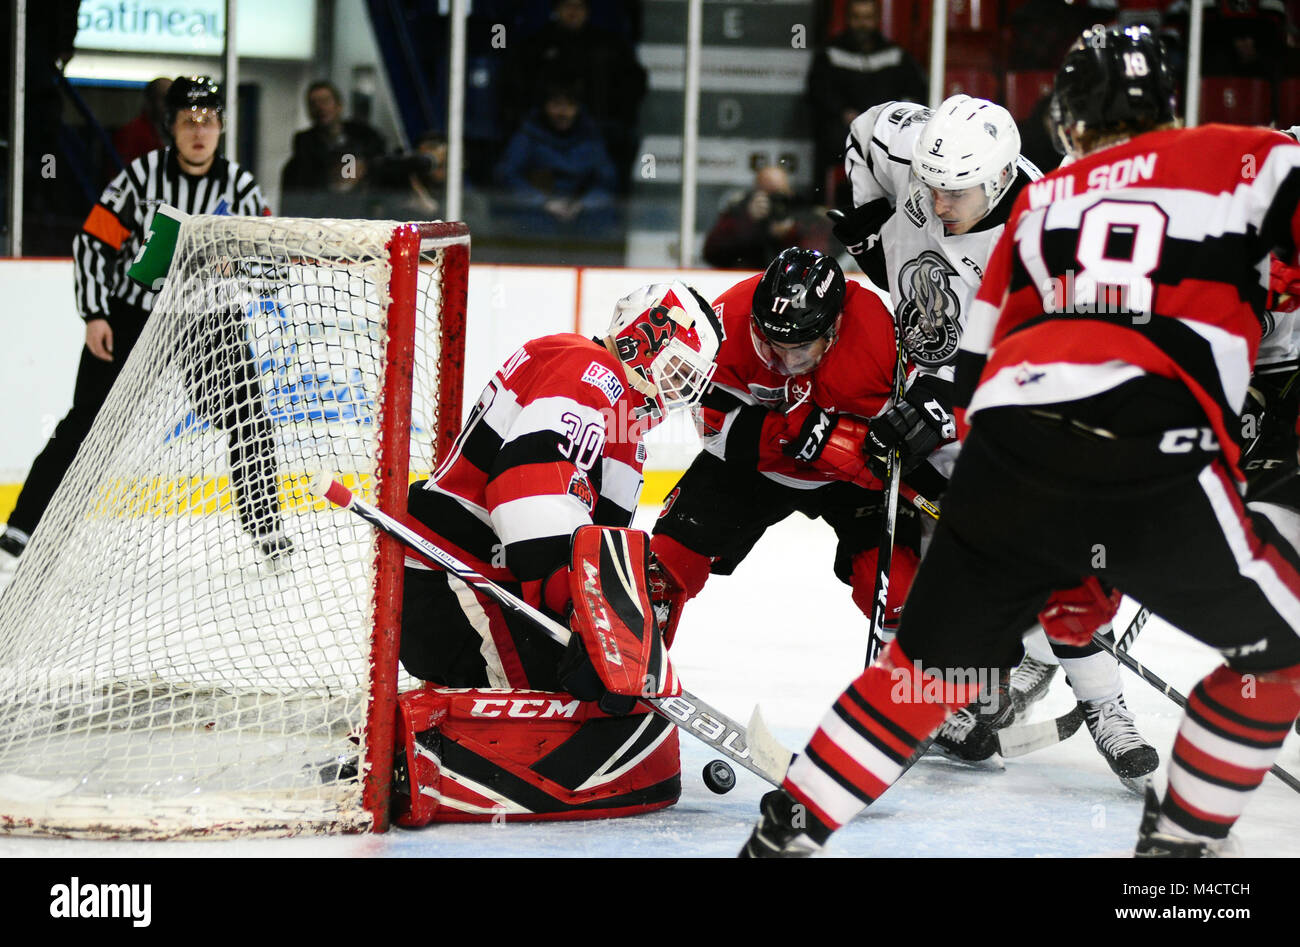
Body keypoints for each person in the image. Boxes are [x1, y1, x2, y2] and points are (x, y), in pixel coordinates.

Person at [741, 25, 1300, 858]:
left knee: (922, 674)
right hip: (1150, 450)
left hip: (1010, 459)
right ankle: (1178, 856)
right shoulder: (1245, 158)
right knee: (1274, 653)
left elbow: (974, 373)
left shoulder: (1042, 203)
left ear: (1068, 124)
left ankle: (785, 832)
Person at [831, 92, 1159, 783]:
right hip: (928, 385)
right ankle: (960, 691)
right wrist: (868, 225)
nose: (938, 203)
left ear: (1004, 175)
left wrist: (946, 406)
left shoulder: (1053, 241)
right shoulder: (913, 146)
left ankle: (1103, 703)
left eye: (957, 192)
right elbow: (865, 132)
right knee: (929, 552)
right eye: (931, 187)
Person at [394, 281, 722, 821]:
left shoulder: (614, 402)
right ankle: (423, 753)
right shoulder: (591, 371)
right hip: (454, 581)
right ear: (649, 335)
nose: (677, 391)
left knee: (610, 692)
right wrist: (582, 612)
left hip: (479, 582)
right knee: (581, 705)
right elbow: (529, 486)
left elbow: (595, 534)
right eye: (678, 371)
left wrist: (619, 617)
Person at [0, 77, 289, 563]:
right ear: (169, 128)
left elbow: (272, 263)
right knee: (86, 422)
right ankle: (24, 526)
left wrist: (238, 264)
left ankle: (266, 527)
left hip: (209, 321)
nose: (200, 132)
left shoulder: (239, 187)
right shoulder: (139, 179)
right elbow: (94, 243)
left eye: (209, 121)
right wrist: (95, 314)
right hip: (134, 316)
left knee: (248, 415)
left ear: (221, 127)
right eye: (188, 122)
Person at [648, 248, 919, 654]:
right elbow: (710, 428)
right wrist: (790, 433)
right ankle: (626, 669)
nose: (787, 361)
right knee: (667, 564)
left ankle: (920, 697)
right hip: (757, 468)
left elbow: (912, 427)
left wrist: (861, 447)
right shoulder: (728, 323)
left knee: (899, 589)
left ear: (835, 327)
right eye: (773, 346)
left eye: (802, 349)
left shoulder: (877, 336)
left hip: (846, 479)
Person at [500, 0, 647, 193]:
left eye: (579, 7)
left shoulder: (610, 46)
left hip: (597, 128)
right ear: (556, 9)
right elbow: (514, 87)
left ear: (587, 11)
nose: (573, 12)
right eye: (567, 6)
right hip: (542, 131)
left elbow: (634, 84)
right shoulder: (534, 45)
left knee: (623, 143)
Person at [806, 0, 927, 203]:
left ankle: (903, 206)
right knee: (829, 137)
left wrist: (893, 117)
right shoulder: (831, 53)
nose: (862, 24)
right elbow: (818, 91)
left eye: (868, 18)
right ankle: (823, 207)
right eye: (857, 18)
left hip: (887, 128)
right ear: (847, 19)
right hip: (845, 127)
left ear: (877, 19)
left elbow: (915, 91)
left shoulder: (894, 54)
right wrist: (843, 112)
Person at [494, 77, 618, 234]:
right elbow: (506, 175)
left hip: (582, 213)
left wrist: (583, 204)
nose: (563, 113)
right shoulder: (528, 135)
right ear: (544, 107)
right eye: (556, 105)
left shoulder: (590, 136)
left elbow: (607, 180)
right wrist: (544, 203)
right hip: (537, 212)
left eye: (570, 105)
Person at [281, 81, 387, 212]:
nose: (320, 108)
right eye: (313, 104)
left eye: (325, 101)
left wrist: (363, 166)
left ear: (339, 106)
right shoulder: (304, 151)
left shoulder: (365, 138)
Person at [702, 165, 811, 270]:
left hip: (789, 278)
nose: (774, 203)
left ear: (789, 191)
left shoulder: (801, 209)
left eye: (779, 195)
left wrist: (791, 231)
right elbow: (712, 253)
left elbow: (814, 255)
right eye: (768, 195)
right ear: (756, 191)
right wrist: (748, 221)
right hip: (750, 275)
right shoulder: (740, 211)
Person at [112, 77, 171, 167]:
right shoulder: (132, 134)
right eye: (163, 98)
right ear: (150, 101)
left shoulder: (172, 131)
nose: (169, 106)